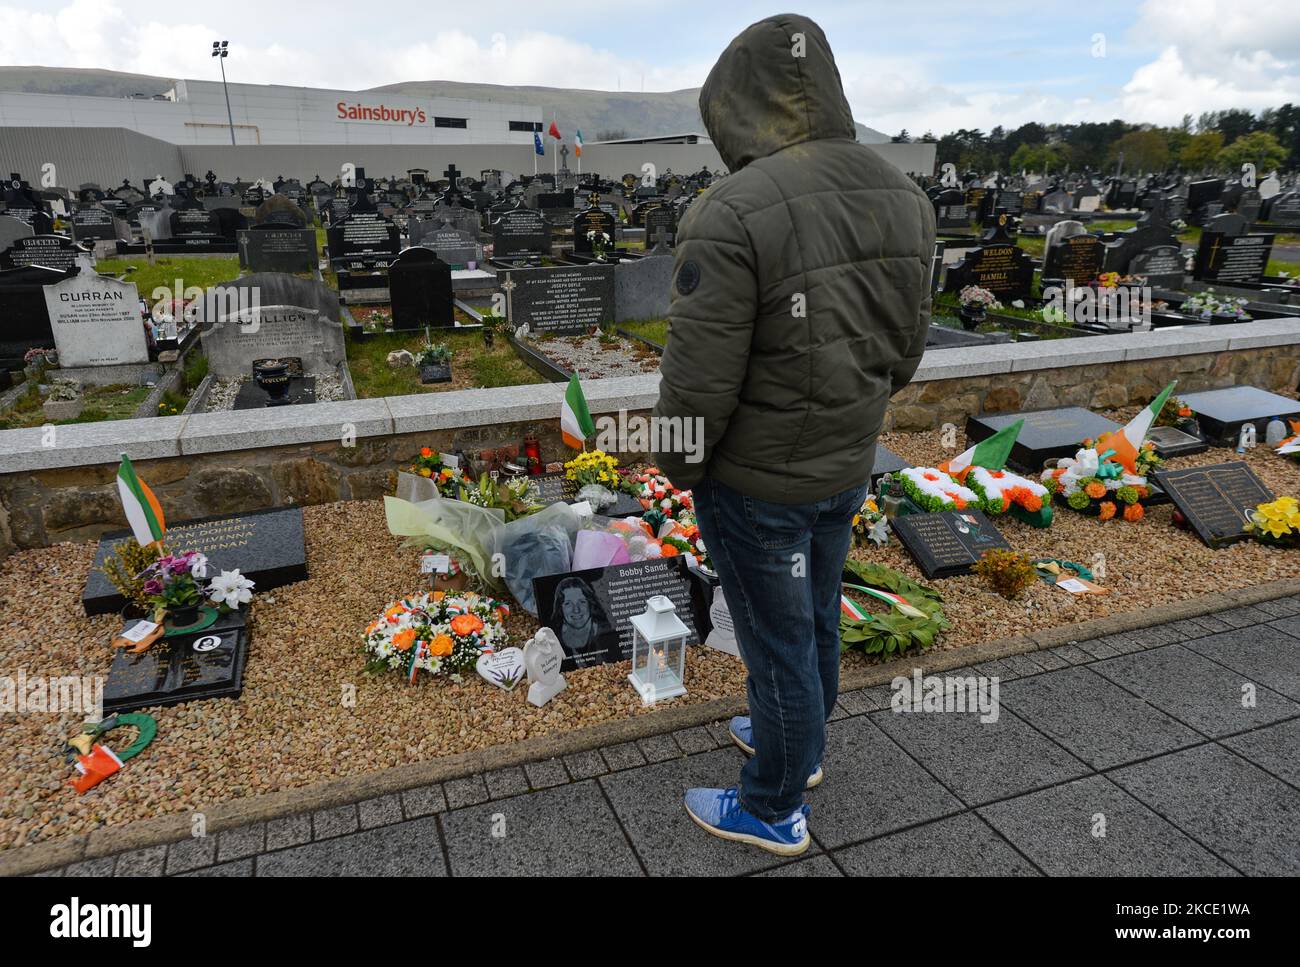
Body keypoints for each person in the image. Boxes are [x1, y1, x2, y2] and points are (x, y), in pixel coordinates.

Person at [652, 14, 934, 855]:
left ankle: (772, 805)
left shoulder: (731, 210)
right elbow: (905, 354)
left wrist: (679, 464)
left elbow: (697, 383)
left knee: (777, 644)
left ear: (737, 103)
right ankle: (801, 749)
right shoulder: (905, 197)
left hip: (756, 480)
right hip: (846, 461)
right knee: (813, 618)